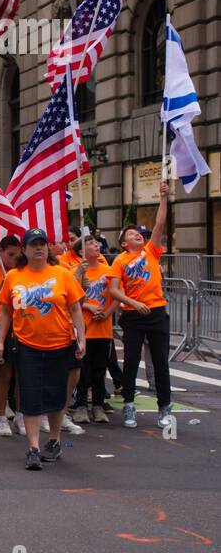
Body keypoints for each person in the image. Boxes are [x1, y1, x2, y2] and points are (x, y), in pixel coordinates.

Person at [0, 228, 87, 470]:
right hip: (26, 346)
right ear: (24, 250)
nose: (39, 248)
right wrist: (0, 341)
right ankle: (33, 448)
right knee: (31, 396)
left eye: (43, 244)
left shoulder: (62, 274)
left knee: (57, 396)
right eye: (33, 244)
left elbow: (76, 309)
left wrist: (82, 338)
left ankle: (55, 440)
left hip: (60, 344)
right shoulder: (14, 276)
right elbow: (5, 310)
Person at [108, 180, 173, 429]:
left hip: (156, 312)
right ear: (124, 243)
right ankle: (128, 406)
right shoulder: (120, 261)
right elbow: (114, 290)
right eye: (131, 234)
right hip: (132, 315)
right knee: (132, 361)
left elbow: (159, 223)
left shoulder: (151, 251)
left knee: (160, 362)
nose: (138, 234)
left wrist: (163, 197)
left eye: (138, 233)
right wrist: (133, 302)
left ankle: (164, 408)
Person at [0, 236, 26, 437]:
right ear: (0, 251)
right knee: (5, 374)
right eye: (10, 254)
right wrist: (1, 287)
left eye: (17, 254)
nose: (14, 258)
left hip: (22, 325)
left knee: (22, 374)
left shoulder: (22, 273)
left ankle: (20, 415)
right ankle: (1, 415)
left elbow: (23, 304)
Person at [73, 233, 115, 425]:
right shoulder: (76, 271)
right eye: (89, 243)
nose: (95, 245)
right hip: (84, 329)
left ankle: (98, 405)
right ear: (81, 251)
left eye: (95, 242)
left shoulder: (109, 270)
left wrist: (107, 313)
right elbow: (69, 300)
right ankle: (81, 405)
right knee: (83, 369)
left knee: (100, 369)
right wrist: (88, 306)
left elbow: (116, 297)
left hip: (103, 328)